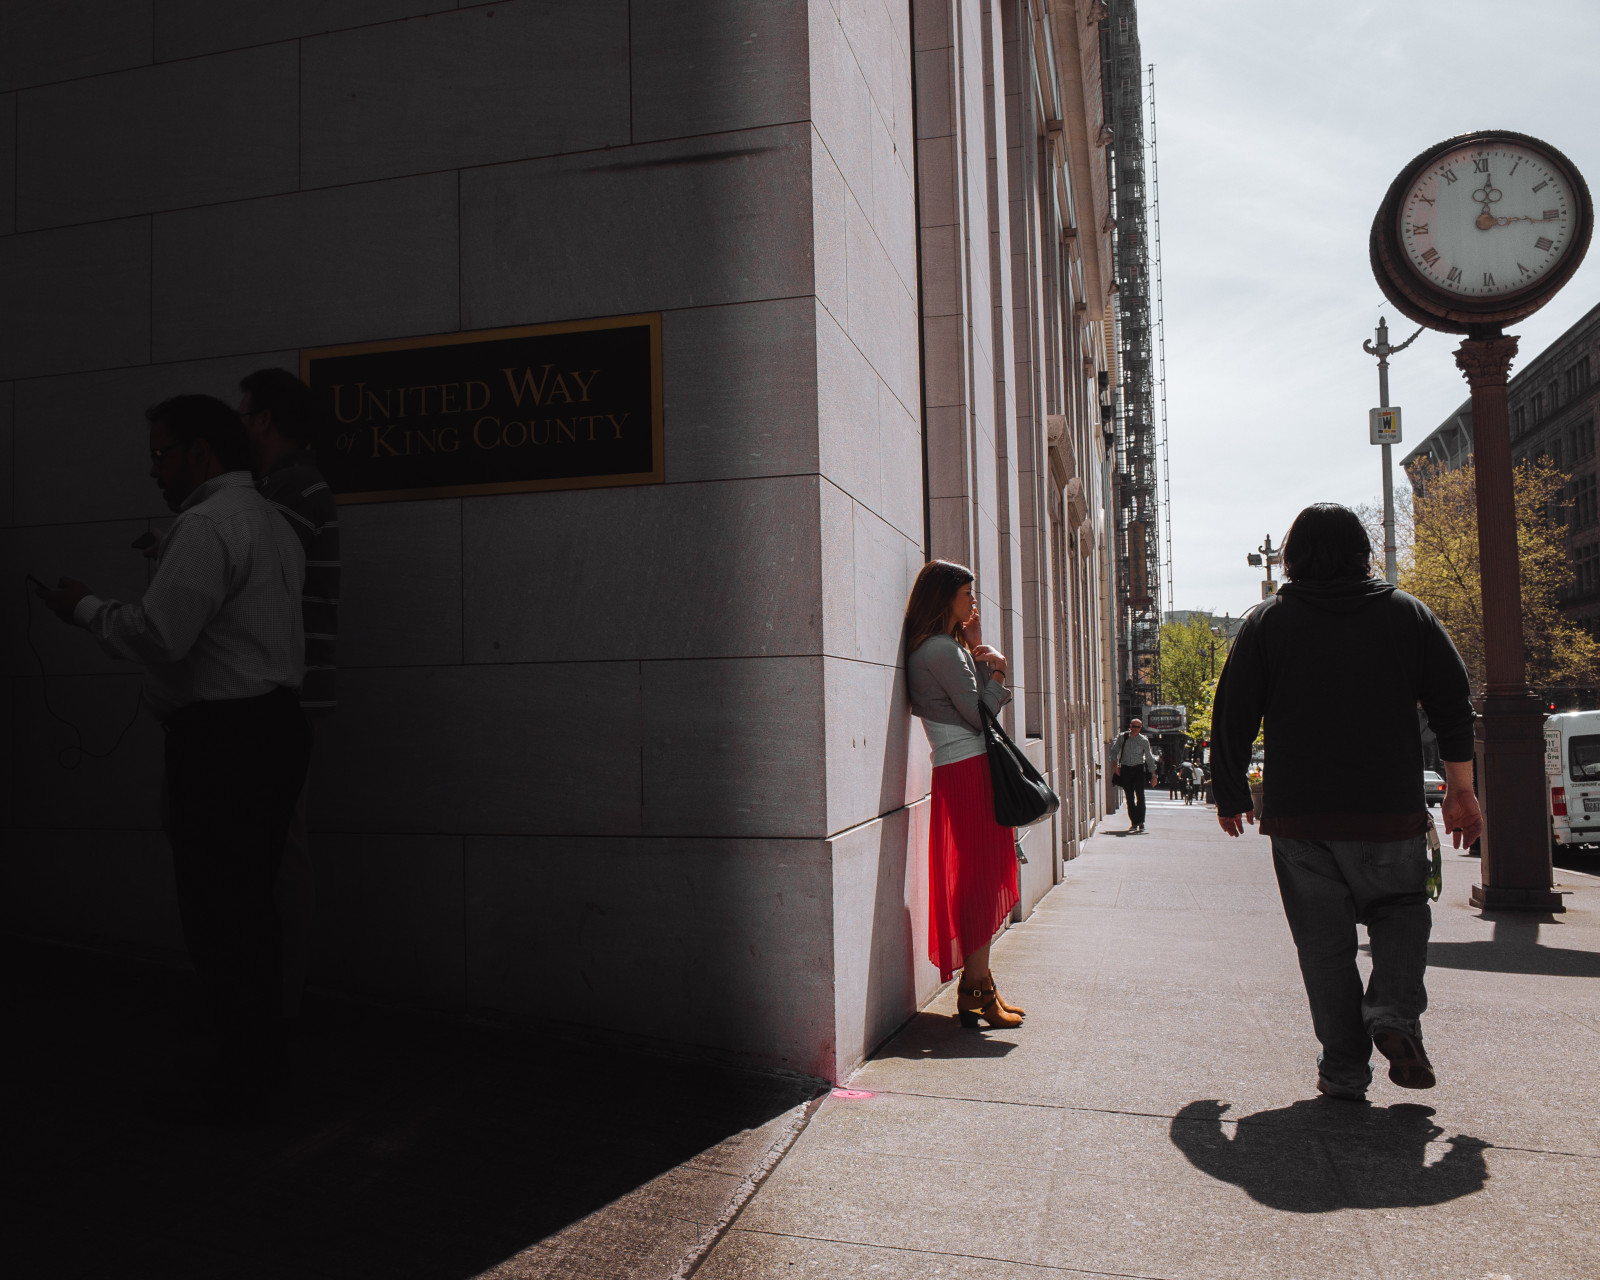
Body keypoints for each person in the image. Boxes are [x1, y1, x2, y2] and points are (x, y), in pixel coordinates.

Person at [39, 395, 310, 1122]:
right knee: (248, 900)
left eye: (162, 453)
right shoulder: (273, 524)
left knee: (218, 904)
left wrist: (86, 609)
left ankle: (237, 1067)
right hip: (275, 727)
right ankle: (258, 1050)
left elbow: (163, 636)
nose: (154, 469)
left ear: (200, 454)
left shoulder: (207, 524)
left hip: (223, 738)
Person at [1210, 503, 1481, 1103]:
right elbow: (1452, 703)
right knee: (1402, 909)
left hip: (1301, 817)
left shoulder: (1268, 623)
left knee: (1323, 945)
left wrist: (1230, 792)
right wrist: (1461, 791)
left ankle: (1343, 1071)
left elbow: (1231, 715)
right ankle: (1392, 1014)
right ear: (1363, 551)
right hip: (1388, 809)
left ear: (1292, 556)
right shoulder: (1407, 615)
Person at [239, 368, 341, 1020]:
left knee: (282, 848)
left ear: (265, 419)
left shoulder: (292, 490)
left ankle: (281, 1000)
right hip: (295, 693)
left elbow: (252, 575)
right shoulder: (287, 486)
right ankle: (276, 995)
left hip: (289, 696)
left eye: (243, 413)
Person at [905, 560, 1025, 1031]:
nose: (974, 603)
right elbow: (981, 717)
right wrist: (999, 674)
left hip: (957, 769)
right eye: (967, 595)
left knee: (981, 873)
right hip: (969, 768)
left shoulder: (937, 647)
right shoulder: (940, 649)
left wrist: (977, 649)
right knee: (983, 875)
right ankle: (976, 989)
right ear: (945, 598)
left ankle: (979, 987)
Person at [1110, 717, 1159, 832]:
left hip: (1138, 769)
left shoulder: (1143, 740)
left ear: (1141, 728)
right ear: (1130, 726)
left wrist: (1153, 775)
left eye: (1138, 727)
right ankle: (1134, 822)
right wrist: (1115, 766)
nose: (1136, 729)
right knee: (1129, 797)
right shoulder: (1123, 737)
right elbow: (1114, 751)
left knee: (1140, 796)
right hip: (1126, 769)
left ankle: (1141, 822)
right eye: (1134, 726)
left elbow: (1149, 757)